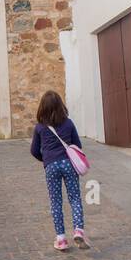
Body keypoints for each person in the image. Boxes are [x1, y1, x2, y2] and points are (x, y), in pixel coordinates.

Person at [29, 90, 88, 251]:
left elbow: (34, 150)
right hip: (69, 164)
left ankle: (61, 239)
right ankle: (78, 230)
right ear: (61, 106)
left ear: (42, 108)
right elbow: (77, 145)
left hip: (51, 166)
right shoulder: (68, 123)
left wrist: (46, 159)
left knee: (56, 202)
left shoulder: (40, 128)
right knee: (75, 198)